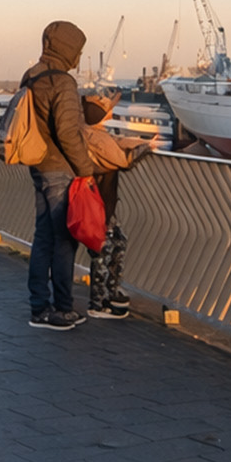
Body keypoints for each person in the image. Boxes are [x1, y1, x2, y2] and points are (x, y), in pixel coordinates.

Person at [19, 22, 96, 331]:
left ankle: (39, 307)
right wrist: (86, 170)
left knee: (43, 238)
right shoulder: (62, 82)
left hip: (37, 164)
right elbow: (67, 131)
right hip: (59, 170)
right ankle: (63, 308)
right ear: (69, 49)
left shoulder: (32, 75)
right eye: (78, 50)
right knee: (64, 240)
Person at [81, 94, 151, 320]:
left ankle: (111, 293)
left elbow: (114, 143)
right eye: (106, 108)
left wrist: (135, 142)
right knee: (105, 248)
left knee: (116, 241)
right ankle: (100, 303)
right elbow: (123, 160)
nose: (110, 110)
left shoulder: (89, 133)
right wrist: (146, 147)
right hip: (99, 203)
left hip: (98, 201)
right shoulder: (97, 138)